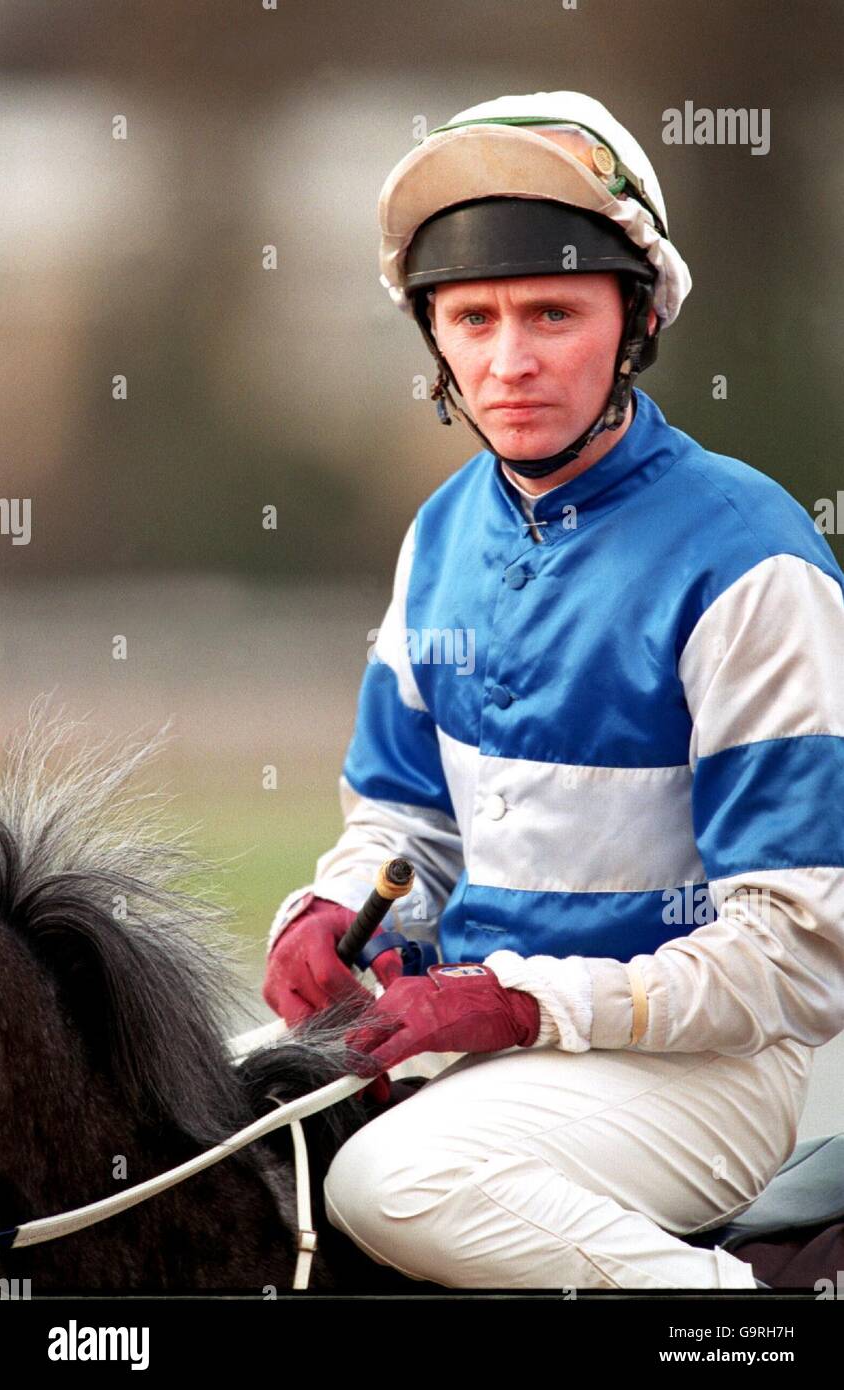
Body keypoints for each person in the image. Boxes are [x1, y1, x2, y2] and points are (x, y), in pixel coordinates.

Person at [262, 90, 844, 1290]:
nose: (508, 360)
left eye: (552, 313)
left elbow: (801, 952)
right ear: (435, 338)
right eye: (471, 317)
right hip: (492, 1047)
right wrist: (328, 914)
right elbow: (400, 828)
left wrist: (516, 1005)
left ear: (634, 321)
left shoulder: (753, 558)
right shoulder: (437, 538)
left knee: (391, 1184)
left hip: (710, 1073)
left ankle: (745, 1321)